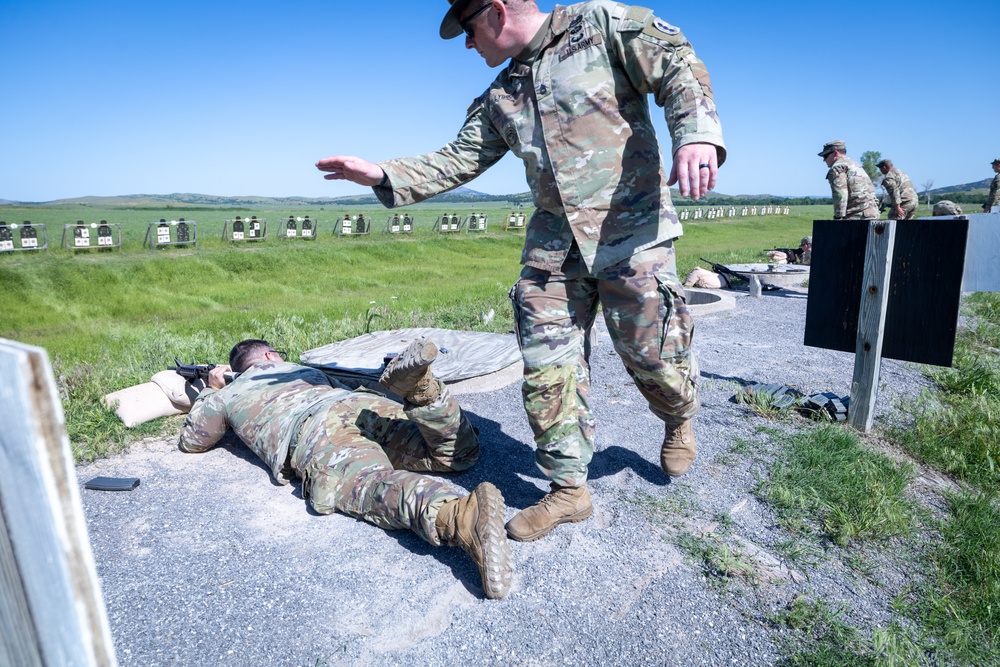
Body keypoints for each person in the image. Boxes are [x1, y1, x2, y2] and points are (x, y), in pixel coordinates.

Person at [316, 0, 726, 542]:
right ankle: (569, 490)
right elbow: (459, 158)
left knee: (654, 358)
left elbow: (676, 62)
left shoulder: (599, 25)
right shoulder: (501, 95)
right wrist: (382, 173)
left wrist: (695, 133)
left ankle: (678, 416)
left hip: (631, 235)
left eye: (468, 29)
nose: (468, 44)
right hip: (553, 249)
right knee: (548, 369)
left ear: (496, 11)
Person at [178, 337, 514, 600]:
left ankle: (459, 516)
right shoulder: (300, 369)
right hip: (361, 404)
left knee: (369, 482)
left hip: (318, 428)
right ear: (271, 356)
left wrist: (211, 387)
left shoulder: (232, 391)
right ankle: (425, 390)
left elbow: (194, 440)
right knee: (454, 454)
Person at [818, 141, 879, 220]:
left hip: (856, 215)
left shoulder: (838, 167)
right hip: (872, 212)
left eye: (825, 156)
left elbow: (840, 194)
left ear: (835, 153)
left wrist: (838, 217)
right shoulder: (855, 165)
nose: (824, 160)